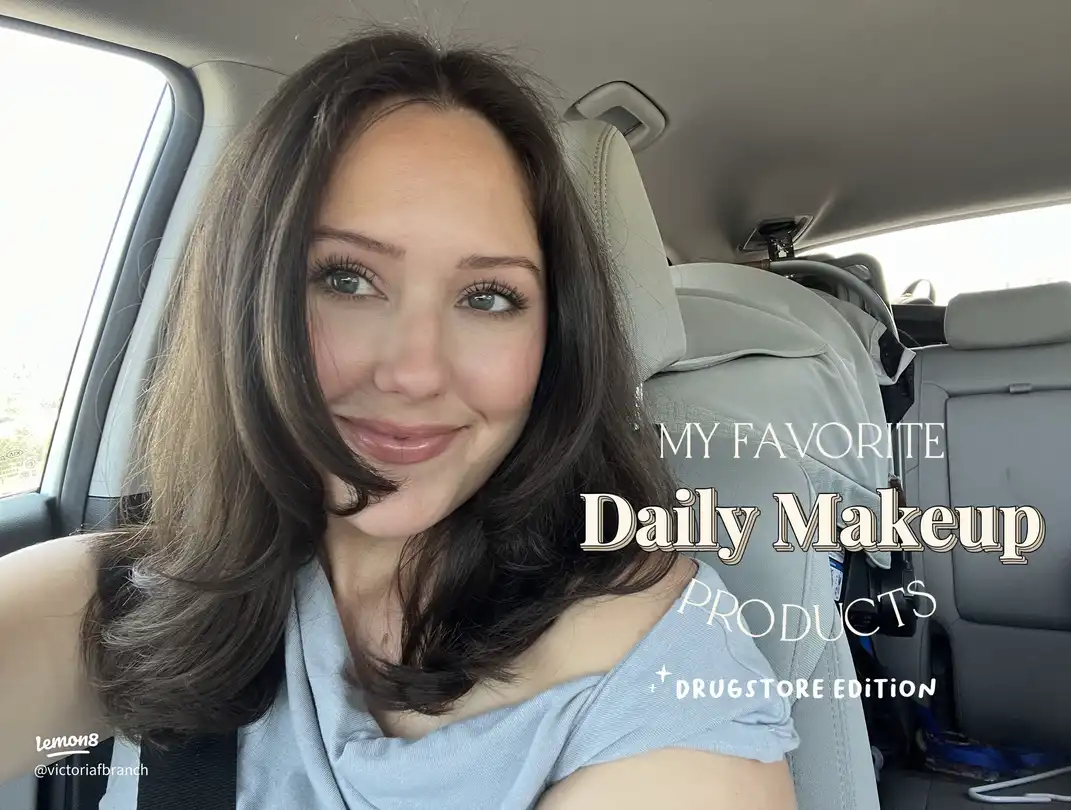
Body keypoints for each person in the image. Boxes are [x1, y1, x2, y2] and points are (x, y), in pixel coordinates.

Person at [0, 29, 799, 809]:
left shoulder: (657, 677)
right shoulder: (138, 593)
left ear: (555, 341)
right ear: (248, 304)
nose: (415, 372)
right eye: (347, 280)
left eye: (488, 297)